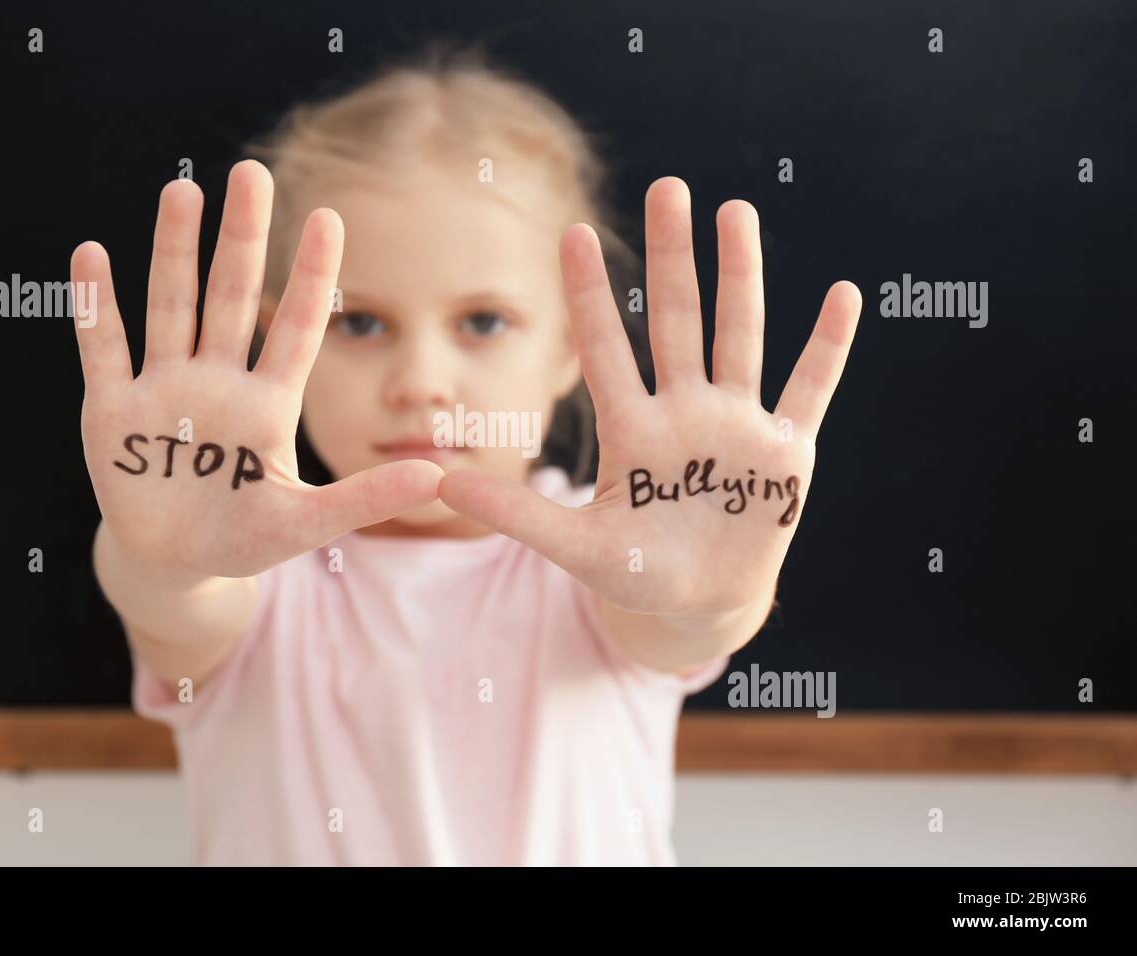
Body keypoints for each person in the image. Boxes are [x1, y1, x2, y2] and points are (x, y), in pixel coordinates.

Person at [69, 45, 861, 865]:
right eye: (361, 322)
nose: (421, 383)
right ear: (280, 343)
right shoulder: (255, 574)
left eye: (482, 322)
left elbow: (671, 614)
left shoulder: (604, 562)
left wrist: (713, 597)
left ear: (572, 348)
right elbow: (174, 600)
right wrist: (156, 558)